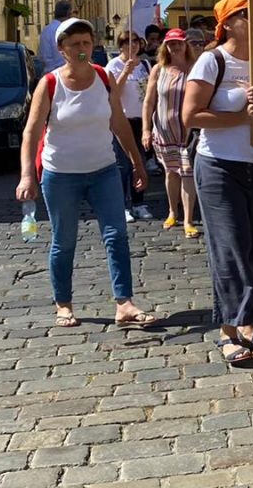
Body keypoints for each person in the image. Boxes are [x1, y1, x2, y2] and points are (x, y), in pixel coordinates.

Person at [15, 18, 157, 329]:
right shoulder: (50, 84)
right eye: (75, 44)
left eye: (86, 43)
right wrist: (27, 176)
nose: (82, 49)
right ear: (62, 49)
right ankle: (63, 304)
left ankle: (124, 303)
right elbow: (32, 132)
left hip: (103, 170)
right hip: (61, 174)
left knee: (116, 235)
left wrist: (137, 162)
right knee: (64, 240)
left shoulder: (104, 78)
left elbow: (118, 123)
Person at [181, 0, 253, 365]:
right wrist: (241, 116)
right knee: (231, 247)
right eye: (244, 14)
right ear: (226, 23)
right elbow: (191, 115)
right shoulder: (212, 61)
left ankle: (249, 324)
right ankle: (228, 331)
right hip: (220, 167)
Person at [142, 28, 200, 239]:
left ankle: (189, 219)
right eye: (171, 43)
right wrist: (146, 129)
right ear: (165, 47)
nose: (175, 46)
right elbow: (149, 101)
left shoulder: (195, 68)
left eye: (179, 43)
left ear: (185, 45)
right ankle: (172, 211)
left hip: (188, 131)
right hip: (164, 130)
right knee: (171, 172)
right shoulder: (159, 69)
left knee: (187, 172)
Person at [106, 32, 154, 221]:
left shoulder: (145, 65)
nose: (132, 45)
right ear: (120, 46)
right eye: (127, 42)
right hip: (122, 120)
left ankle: (138, 202)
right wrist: (125, 72)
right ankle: (122, 204)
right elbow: (113, 93)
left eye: (135, 42)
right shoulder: (114, 65)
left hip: (141, 120)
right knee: (123, 165)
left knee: (140, 162)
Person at [38, 1, 72, 72]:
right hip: (62, 72)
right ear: (68, 14)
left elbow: (41, 55)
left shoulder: (45, 30)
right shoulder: (65, 30)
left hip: (48, 72)